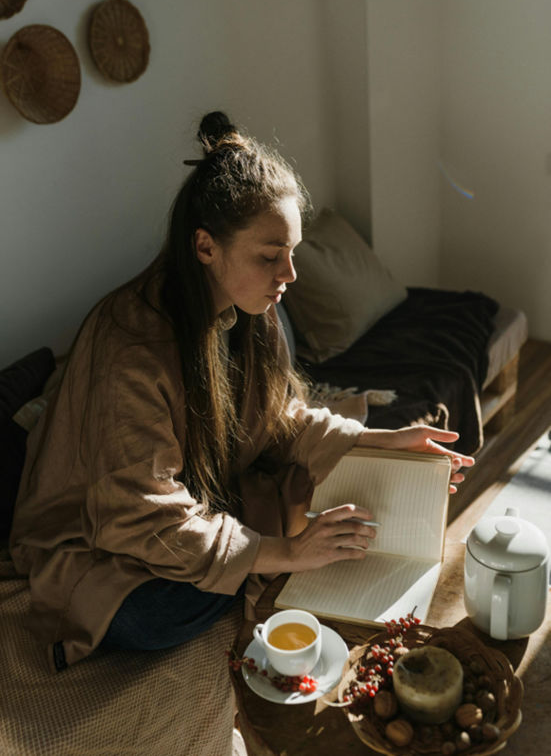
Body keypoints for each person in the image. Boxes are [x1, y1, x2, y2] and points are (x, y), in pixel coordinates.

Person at [9, 112, 474, 673]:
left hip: (189, 501)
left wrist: (380, 438)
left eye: (294, 251)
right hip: (99, 541)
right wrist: (287, 552)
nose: (291, 274)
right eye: (270, 255)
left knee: (300, 518)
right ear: (206, 247)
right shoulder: (128, 345)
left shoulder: (255, 315)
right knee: (164, 612)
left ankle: (246, 552)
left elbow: (278, 416)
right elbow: (137, 514)